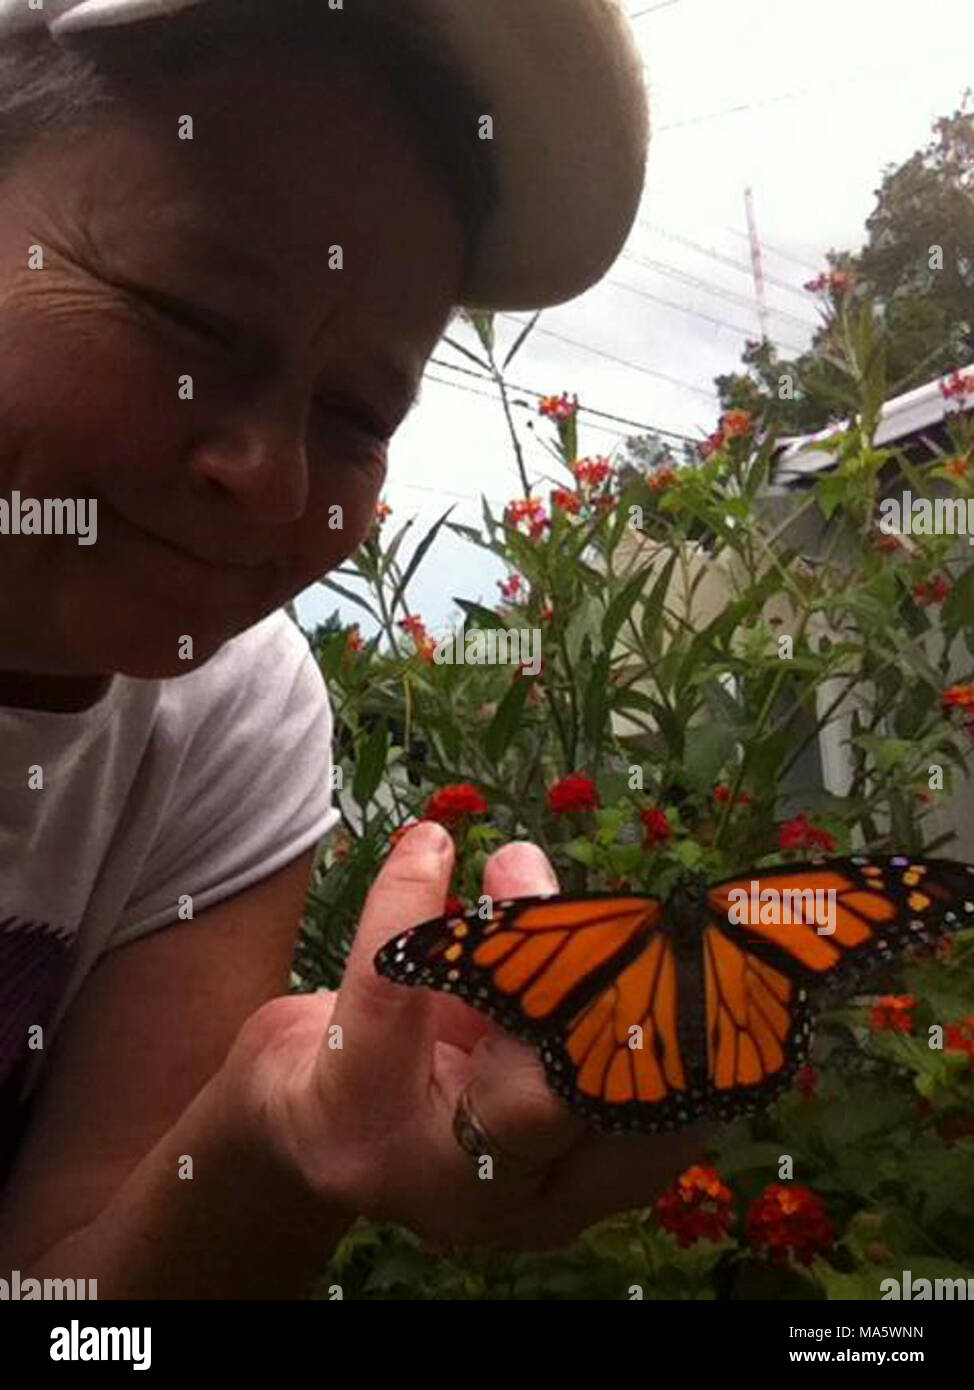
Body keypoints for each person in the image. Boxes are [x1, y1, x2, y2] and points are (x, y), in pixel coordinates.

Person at [0, 0, 710, 1299]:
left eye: (357, 409)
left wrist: (274, 1145)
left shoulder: (234, 719)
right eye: (188, 321)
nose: (269, 481)